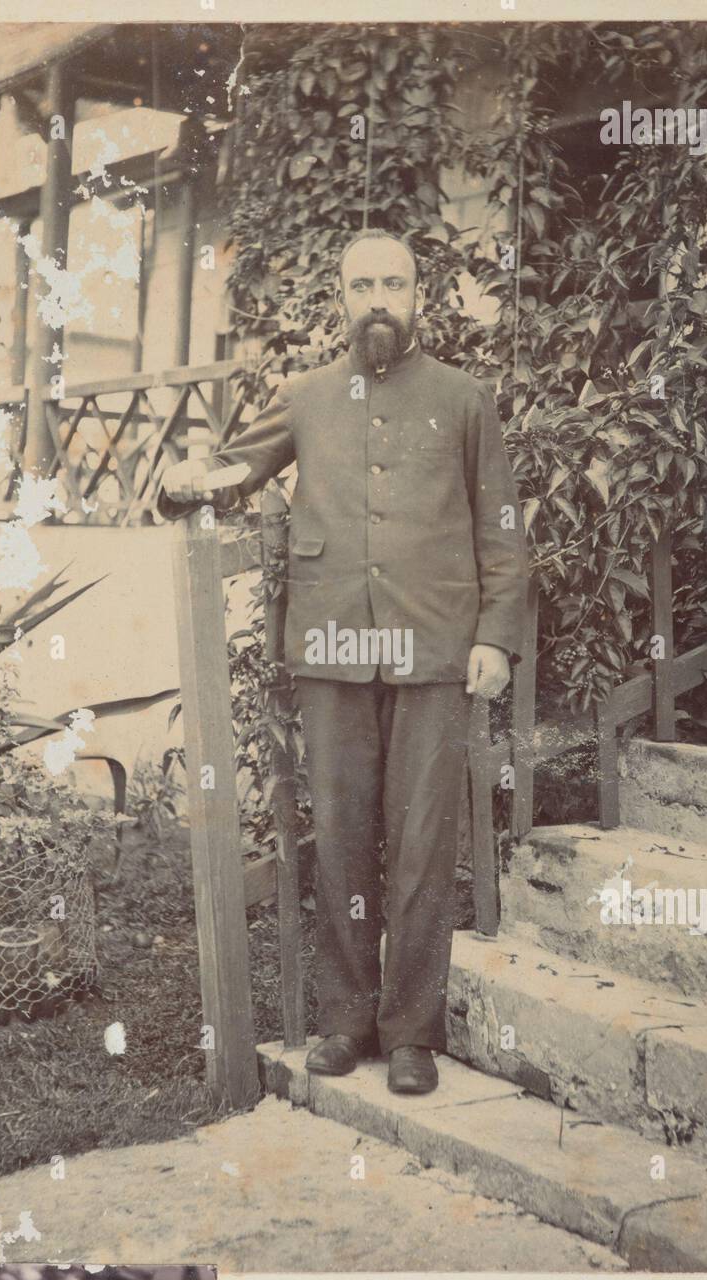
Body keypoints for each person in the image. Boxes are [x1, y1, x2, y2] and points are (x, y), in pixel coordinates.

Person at [159, 229, 529, 1094]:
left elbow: (501, 531)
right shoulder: (304, 396)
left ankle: (410, 1035)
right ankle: (343, 1019)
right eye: (360, 283)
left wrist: (494, 637)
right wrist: (182, 480)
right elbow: (233, 466)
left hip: (433, 649)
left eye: (392, 283)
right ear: (339, 295)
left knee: (423, 844)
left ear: (416, 295)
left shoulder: (464, 398)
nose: (377, 300)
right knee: (339, 843)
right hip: (334, 649)